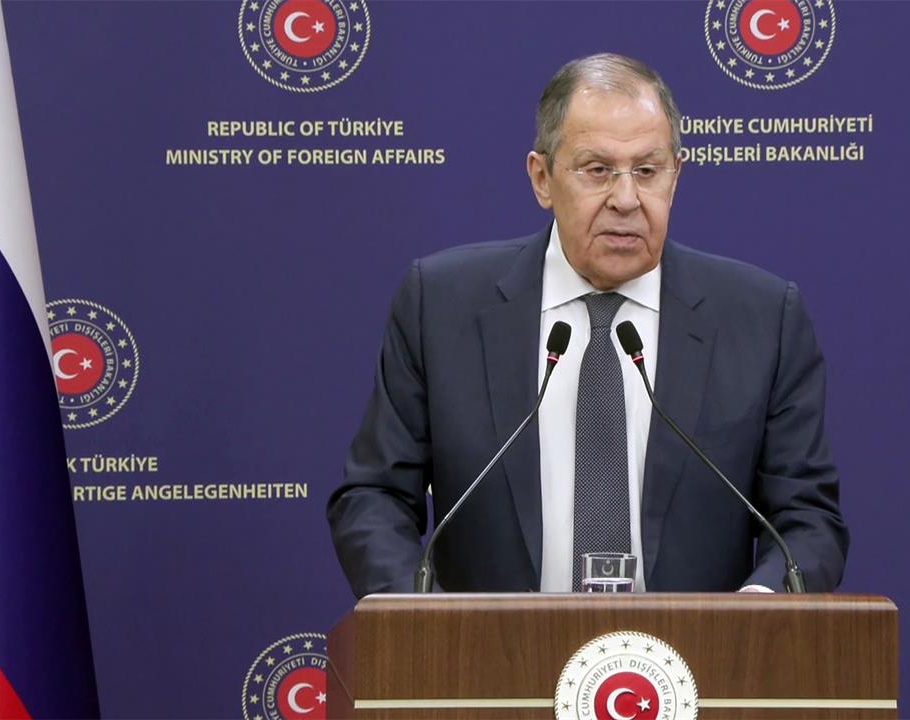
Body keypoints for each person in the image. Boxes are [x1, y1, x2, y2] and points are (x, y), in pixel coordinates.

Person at [327, 53, 847, 595]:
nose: (626, 199)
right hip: (489, 649)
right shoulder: (440, 305)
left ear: (675, 178)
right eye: (597, 170)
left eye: (647, 171)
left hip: (697, 650)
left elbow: (808, 518)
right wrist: (426, 621)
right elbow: (374, 497)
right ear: (542, 178)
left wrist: (757, 616)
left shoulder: (762, 318)